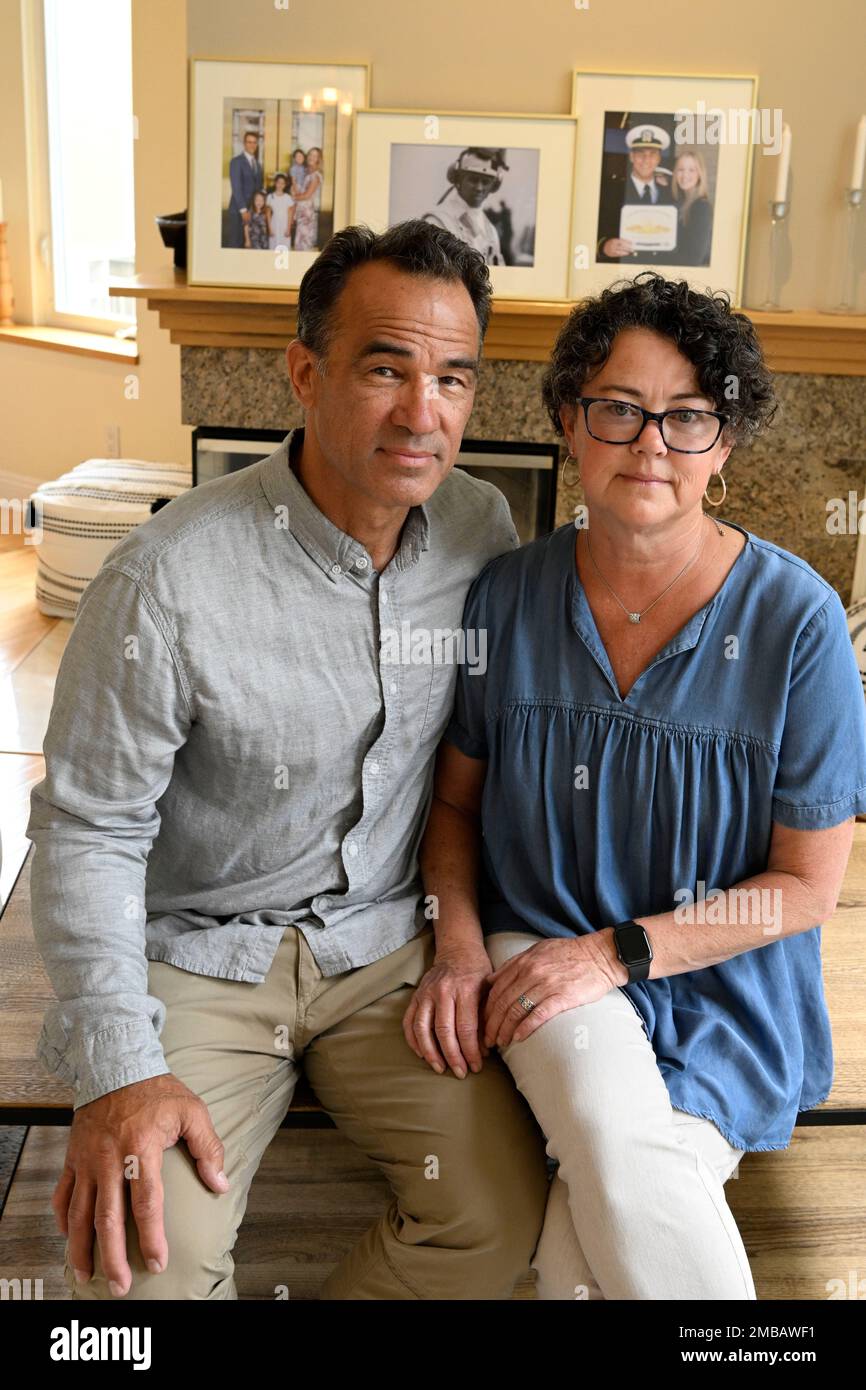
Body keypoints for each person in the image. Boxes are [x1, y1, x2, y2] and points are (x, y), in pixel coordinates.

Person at [27, 219, 550, 1302]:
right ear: (304, 373)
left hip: (383, 954)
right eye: (384, 368)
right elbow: (88, 829)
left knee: (498, 1226)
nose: (423, 412)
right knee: (138, 1278)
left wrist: (465, 940)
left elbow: (479, 762)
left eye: (453, 378)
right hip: (200, 954)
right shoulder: (164, 577)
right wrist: (118, 1066)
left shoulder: (479, 528)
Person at [407, 270, 866, 1299]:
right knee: (617, 1148)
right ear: (569, 422)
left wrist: (622, 953)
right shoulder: (504, 596)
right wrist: (456, 942)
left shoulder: (796, 625)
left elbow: (802, 888)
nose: (649, 443)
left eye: (687, 417)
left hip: (722, 989)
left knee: (577, 1263)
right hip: (538, 947)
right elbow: (453, 807)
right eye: (617, 409)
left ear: (725, 441)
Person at [596, 124, 675, 263]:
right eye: (640, 153)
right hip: (620, 270)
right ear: (631, 156)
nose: (646, 159)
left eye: (652, 154)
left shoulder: (670, 193)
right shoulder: (609, 191)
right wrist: (603, 246)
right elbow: (590, 229)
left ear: (659, 159)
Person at [423, 148, 508, 265]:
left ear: (493, 186)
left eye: (485, 182)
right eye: (473, 180)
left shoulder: (491, 231)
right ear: (459, 180)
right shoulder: (437, 221)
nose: (479, 188)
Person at [671, 148, 714, 266]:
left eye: (691, 170)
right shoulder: (683, 203)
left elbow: (694, 259)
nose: (685, 175)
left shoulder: (701, 207)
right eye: (680, 169)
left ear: (700, 174)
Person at [227, 130, 263, 249]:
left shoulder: (258, 164)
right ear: (244, 143)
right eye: (249, 142)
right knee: (236, 243)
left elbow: (258, 188)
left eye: (254, 143)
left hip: (253, 210)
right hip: (238, 210)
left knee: (249, 245)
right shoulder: (236, 161)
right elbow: (236, 187)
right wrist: (243, 210)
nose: (252, 145)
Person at [292, 147, 323, 251]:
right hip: (300, 211)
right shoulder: (305, 171)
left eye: (314, 156)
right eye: (310, 154)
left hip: (307, 214)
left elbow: (307, 195)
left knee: (304, 244)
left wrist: (293, 197)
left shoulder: (316, 176)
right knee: (298, 243)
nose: (311, 157)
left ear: (318, 159)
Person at [266, 172, 294, 250]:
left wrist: (288, 228)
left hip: (284, 224)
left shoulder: (287, 197)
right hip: (274, 224)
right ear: (275, 183)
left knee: (284, 247)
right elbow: (268, 214)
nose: (280, 185)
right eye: (278, 182)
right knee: (273, 246)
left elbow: (290, 213)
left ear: (285, 185)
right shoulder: (270, 197)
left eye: (283, 183)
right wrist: (270, 228)